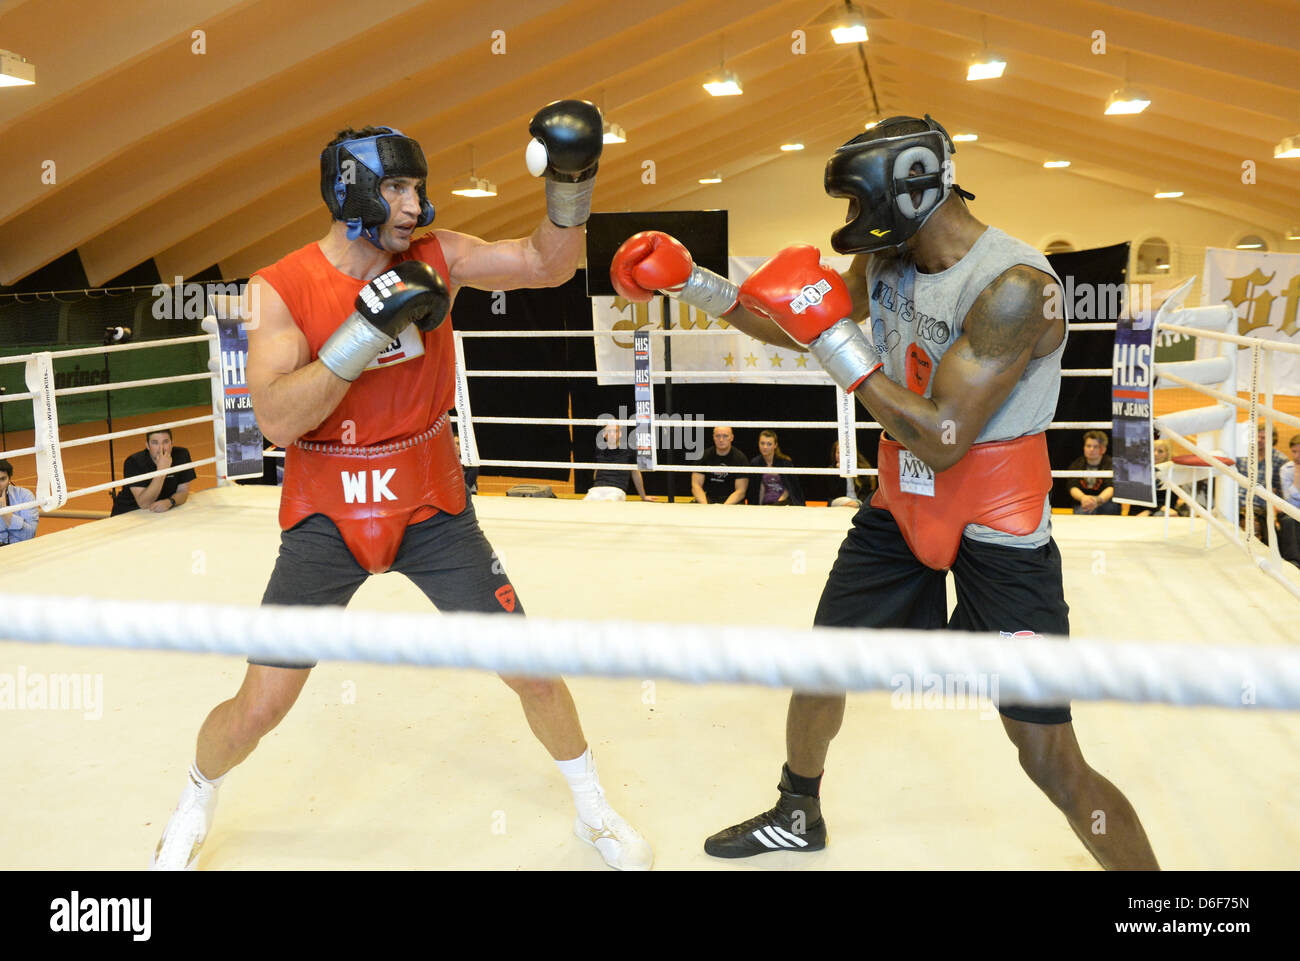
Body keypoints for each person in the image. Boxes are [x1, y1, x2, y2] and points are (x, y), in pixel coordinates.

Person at [611, 113, 1157, 869]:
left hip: (997, 517)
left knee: (1047, 754)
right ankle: (798, 806)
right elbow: (804, 320)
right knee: (823, 660)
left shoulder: (1015, 287)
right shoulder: (890, 258)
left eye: (855, 200)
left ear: (905, 189)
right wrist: (694, 282)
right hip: (903, 495)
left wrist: (838, 341)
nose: (849, 221)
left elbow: (942, 431)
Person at [152, 108, 652, 871]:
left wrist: (569, 182)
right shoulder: (279, 288)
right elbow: (280, 420)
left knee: (534, 669)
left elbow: (544, 264)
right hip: (328, 513)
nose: (417, 205)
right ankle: (195, 799)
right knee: (261, 707)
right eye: (397, 186)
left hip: (431, 504)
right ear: (351, 191)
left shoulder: (437, 254)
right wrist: (364, 329)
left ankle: (594, 812)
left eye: (418, 185)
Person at [110, 429, 196, 516]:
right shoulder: (134, 462)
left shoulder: (181, 455)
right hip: (130, 512)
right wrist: (161, 471)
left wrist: (170, 502)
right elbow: (144, 504)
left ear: (172, 443)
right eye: (155, 443)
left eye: (165, 442)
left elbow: (183, 491)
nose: (161, 448)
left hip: (158, 513)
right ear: (147, 445)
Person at [1236, 424, 1289, 541]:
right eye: (1256, 437)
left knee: (1253, 528)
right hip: (1236, 503)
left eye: (1263, 438)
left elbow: (1280, 491)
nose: (1259, 440)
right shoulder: (1241, 454)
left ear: (1272, 440)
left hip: (1259, 507)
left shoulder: (1280, 459)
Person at [585, 421, 655, 501]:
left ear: (620, 433)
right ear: (604, 434)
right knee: (585, 504)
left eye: (615, 431)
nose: (612, 434)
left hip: (616, 490)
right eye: (609, 431)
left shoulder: (629, 450)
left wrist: (643, 496)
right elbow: (596, 470)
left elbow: (635, 473)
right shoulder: (599, 449)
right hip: (597, 488)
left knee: (608, 503)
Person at [691, 426, 748, 504]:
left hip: (732, 501)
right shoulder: (704, 455)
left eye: (725, 436)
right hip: (708, 499)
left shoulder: (740, 458)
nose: (721, 440)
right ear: (713, 437)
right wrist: (705, 506)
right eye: (718, 436)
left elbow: (741, 491)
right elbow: (696, 486)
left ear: (732, 437)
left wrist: (722, 509)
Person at [1067, 431, 1120, 515]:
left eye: (1095, 447)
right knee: (1082, 510)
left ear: (1103, 449)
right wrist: (1084, 498)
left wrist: (1096, 500)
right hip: (1084, 502)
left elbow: (1111, 487)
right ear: (1084, 447)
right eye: (1088, 446)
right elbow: (1072, 487)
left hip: (1105, 502)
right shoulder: (1077, 464)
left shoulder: (1111, 464)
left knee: (1109, 508)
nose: (1091, 449)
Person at [746, 429, 803, 505]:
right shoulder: (755, 463)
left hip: (784, 503)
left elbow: (790, 488)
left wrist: (777, 504)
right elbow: (758, 490)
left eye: (769, 444)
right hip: (766, 504)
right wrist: (758, 508)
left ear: (775, 445)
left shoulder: (785, 463)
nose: (765, 447)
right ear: (758, 444)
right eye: (762, 443)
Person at [826, 441, 876, 507]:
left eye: (845, 452)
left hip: (858, 502)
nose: (842, 455)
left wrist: (858, 503)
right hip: (839, 502)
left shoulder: (862, 468)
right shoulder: (831, 470)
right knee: (845, 500)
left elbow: (866, 491)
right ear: (835, 454)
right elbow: (834, 493)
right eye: (839, 452)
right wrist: (840, 473)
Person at [0, 459, 38, 545]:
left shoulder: (25, 496)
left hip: (18, 550)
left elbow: (29, 535)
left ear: (9, 479)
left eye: (2, 479)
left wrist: (5, 511)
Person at [1278, 433, 1300, 566]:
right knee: (1289, 520)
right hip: (1292, 512)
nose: (1297, 456)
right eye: (1294, 452)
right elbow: (1291, 501)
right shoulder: (1286, 469)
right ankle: (1293, 563)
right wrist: (1297, 475)